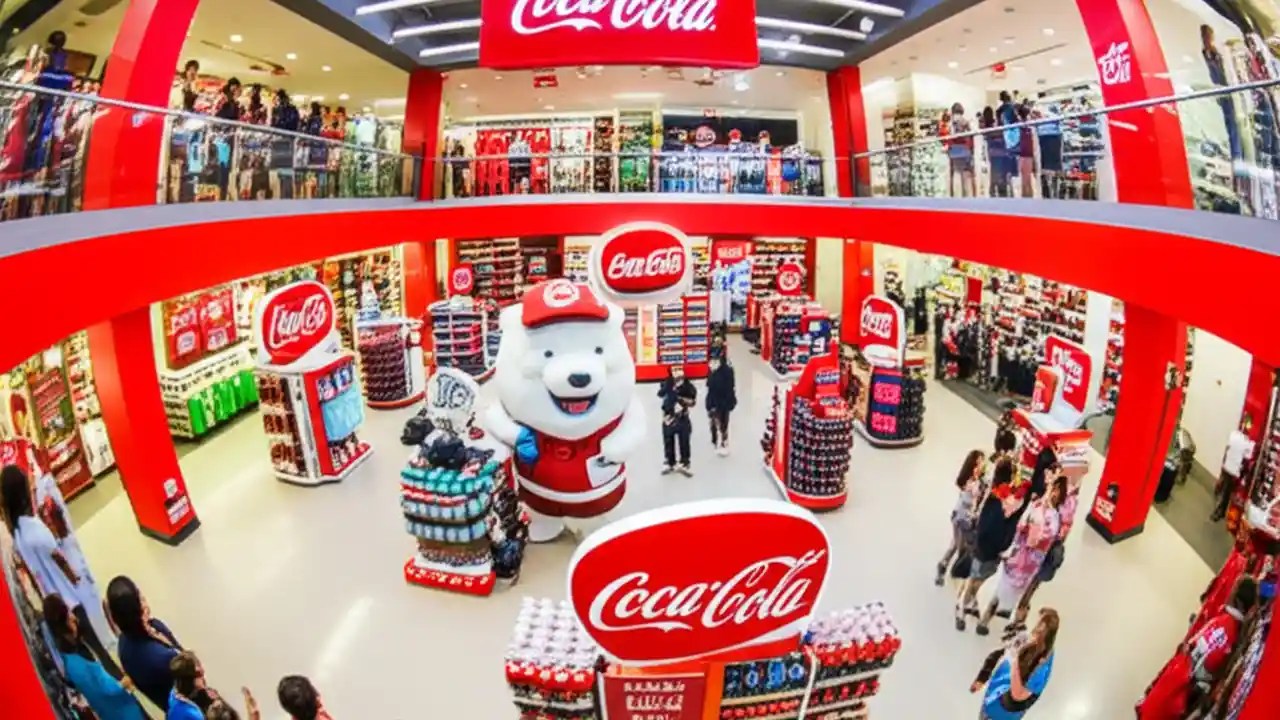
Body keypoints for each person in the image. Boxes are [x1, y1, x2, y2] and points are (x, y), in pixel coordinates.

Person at [1, 466, 123, 679]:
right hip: (69, 600)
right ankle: (119, 680)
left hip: (52, 602)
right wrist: (75, 577)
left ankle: (102, 680)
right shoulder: (35, 527)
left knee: (82, 651)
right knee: (97, 647)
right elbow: (58, 556)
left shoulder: (17, 532)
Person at [1136, 577, 1258, 719]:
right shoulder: (1232, 630)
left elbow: (1203, 669)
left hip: (1177, 691)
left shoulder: (1224, 628)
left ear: (1238, 600)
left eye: (1234, 589)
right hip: (1181, 691)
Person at [976, 476, 1068, 635]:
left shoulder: (1055, 516)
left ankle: (1014, 626)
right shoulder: (1036, 504)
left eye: (1057, 490)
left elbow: (1044, 536)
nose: (1053, 492)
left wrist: (1035, 524)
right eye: (1052, 487)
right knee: (1002, 586)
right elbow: (1022, 524)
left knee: (1023, 595)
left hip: (1032, 562)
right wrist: (1028, 526)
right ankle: (986, 618)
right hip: (1019, 554)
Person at [43, 594, 146, 720]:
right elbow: (106, 690)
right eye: (69, 616)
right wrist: (128, 680)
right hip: (122, 713)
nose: (74, 617)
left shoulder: (74, 654)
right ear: (63, 625)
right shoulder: (76, 665)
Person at [956, 457, 1024, 631]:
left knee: (976, 577)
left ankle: (966, 605)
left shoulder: (994, 495)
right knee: (975, 578)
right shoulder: (999, 499)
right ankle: (962, 608)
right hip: (989, 547)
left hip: (984, 545)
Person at [107, 575, 183, 710]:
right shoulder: (161, 656)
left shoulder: (123, 646)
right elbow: (191, 667)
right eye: (140, 596)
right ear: (139, 607)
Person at [973, 607, 1059, 719]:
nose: (1033, 628)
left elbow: (1018, 695)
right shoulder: (1034, 644)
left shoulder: (1042, 665)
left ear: (1043, 629)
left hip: (1001, 713)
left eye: (1037, 623)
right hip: (995, 696)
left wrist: (1014, 660)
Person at [937, 449, 986, 585]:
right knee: (961, 548)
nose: (983, 464)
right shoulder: (971, 483)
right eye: (980, 462)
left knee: (955, 544)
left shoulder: (976, 481)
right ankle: (954, 570)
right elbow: (970, 501)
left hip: (962, 518)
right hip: (962, 519)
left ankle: (943, 564)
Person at [1212, 416, 1255, 522]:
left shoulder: (1245, 441)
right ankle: (1220, 511)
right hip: (1230, 467)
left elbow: (1245, 459)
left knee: (1225, 492)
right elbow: (1229, 450)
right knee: (1224, 491)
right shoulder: (1238, 437)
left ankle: (1219, 511)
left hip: (1233, 470)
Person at [658, 365, 697, 475]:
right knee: (668, 440)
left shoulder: (688, 386)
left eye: (679, 369)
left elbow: (693, 401)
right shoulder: (667, 383)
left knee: (684, 440)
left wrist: (680, 398)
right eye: (674, 370)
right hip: (668, 417)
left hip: (682, 417)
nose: (677, 372)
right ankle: (670, 461)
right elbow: (660, 394)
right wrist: (668, 388)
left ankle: (685, 462)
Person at [705, 353, 737, 456]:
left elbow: (730, 387)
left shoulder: (726, 371)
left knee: (722, 421)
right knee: (715, 421)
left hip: (723, 402)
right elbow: (709, 387)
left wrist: (730, 401)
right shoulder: (712, 370)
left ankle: (723, 441)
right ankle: (716, 440)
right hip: (715, 401)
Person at [948, 103, 976, 197]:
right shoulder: (964, 121)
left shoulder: (951, 122)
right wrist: (971, 149)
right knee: (966, 174)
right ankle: (967, 196)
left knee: (956, 173)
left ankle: (956, 196)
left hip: (954, 150)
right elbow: (971, 134)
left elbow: (950, 136)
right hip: (964, 149)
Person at [1015, 102, 1037, 198]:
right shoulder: (1029, 125)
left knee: (1023, 181)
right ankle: (1028, 198)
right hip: (1027, 154)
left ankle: (1025, 198)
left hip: (1022, 154)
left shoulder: (1019, 126)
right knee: (1026, 180)